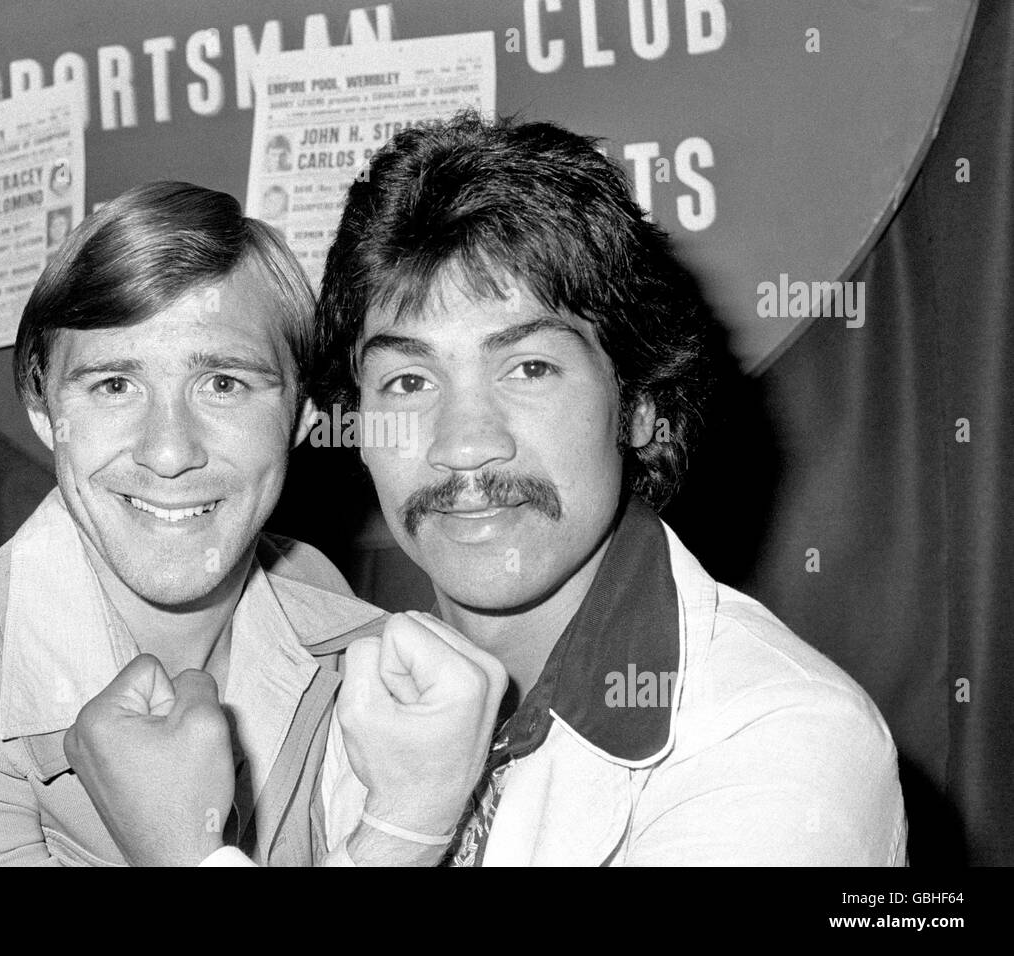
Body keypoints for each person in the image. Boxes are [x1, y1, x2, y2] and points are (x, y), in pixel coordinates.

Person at [0, 181, 503, 866]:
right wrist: (402, 831)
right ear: (43, 410)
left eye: (223, 383)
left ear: (303, 414)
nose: (169, 451)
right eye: (113, 384)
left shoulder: (327, 607)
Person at [310, 112, 908, 865]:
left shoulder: (780, 736)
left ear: (638, 406)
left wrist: (399, 831)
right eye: (408, 380)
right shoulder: (345, 707)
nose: (463, 443)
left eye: (529, 368)